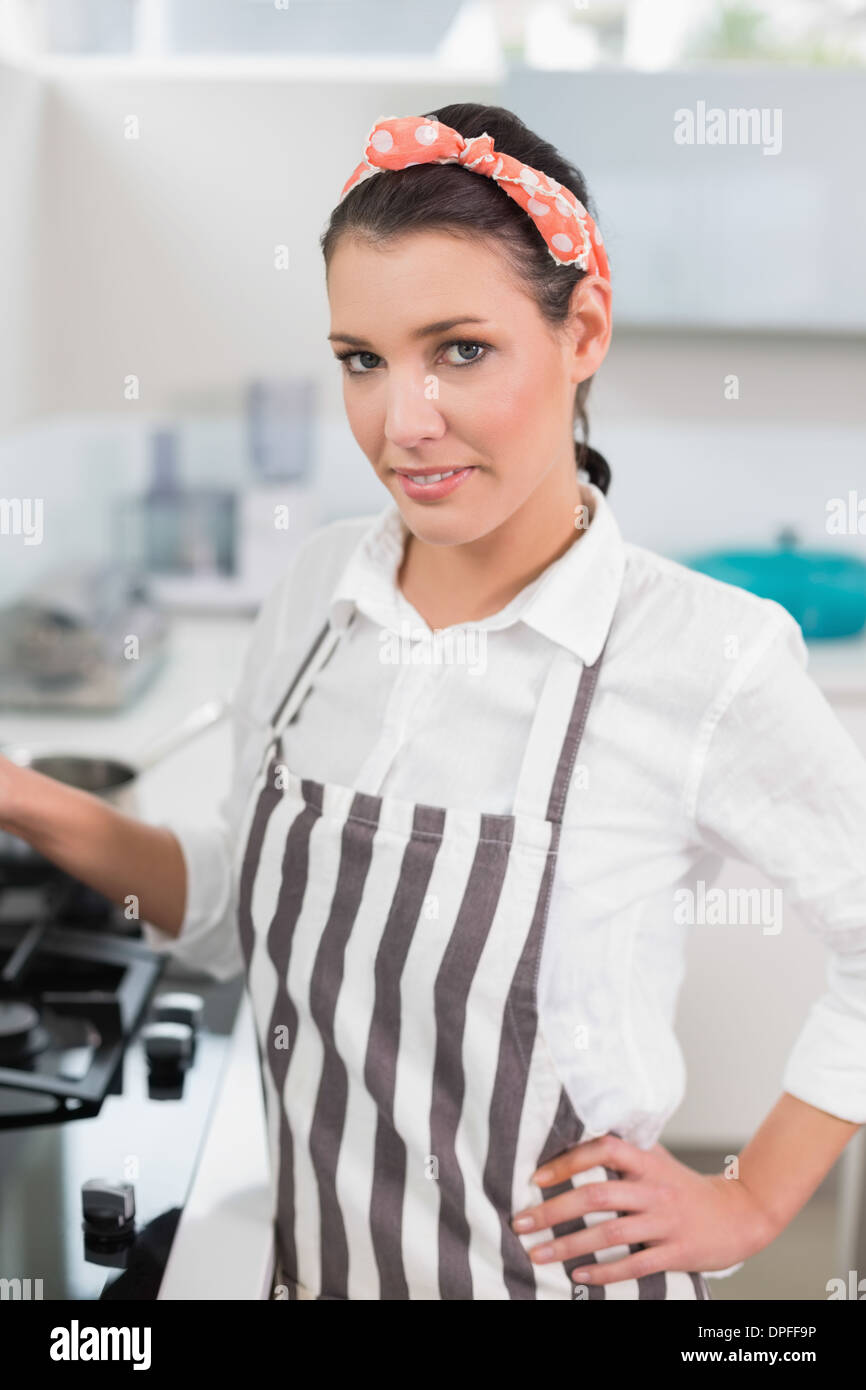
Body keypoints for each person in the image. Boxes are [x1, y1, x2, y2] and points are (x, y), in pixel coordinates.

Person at [3, 103, 864, 1302]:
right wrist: (19, 795)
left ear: (581, 331)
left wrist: (751, 1198)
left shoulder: (700, 654)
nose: (401, 423)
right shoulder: (317, 596)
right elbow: (236, 908)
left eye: (459, 349)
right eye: (361, 359)